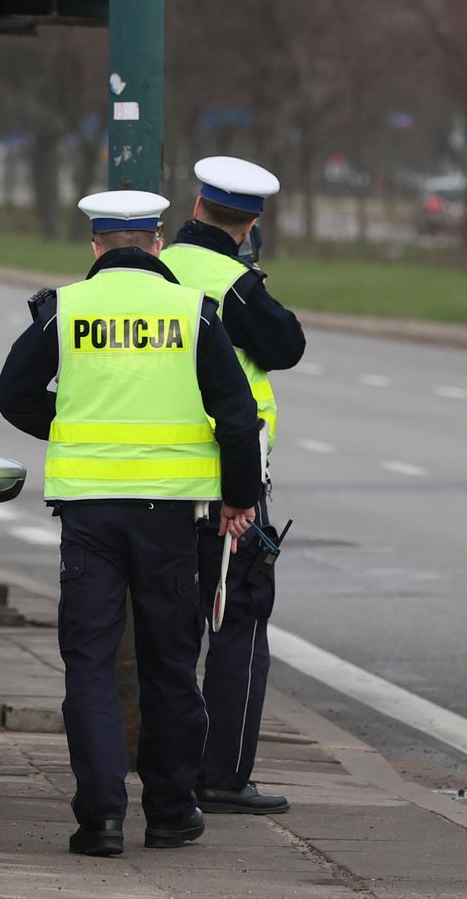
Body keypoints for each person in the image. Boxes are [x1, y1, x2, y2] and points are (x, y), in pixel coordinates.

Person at [0, 189, 263, 859]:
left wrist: (69, 434)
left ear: (96, 246)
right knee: (170, 664)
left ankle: (101, 819)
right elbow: (236, 414)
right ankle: (171, 812)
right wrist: (237, 497)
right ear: (157, 244)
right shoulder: (192, 311)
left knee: (88, 662)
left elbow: (12, 393)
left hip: (89, 515)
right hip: (171, 517)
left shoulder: (66, 308)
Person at [162, 156, 306, 815]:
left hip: (147, 478)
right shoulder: (235, 284)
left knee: (168, 630)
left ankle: (163, 771)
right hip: (228, 483)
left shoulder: (156, 267)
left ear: (195, 206)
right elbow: (286, 344)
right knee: (238, 623)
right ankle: (222, 775)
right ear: (251, 223)